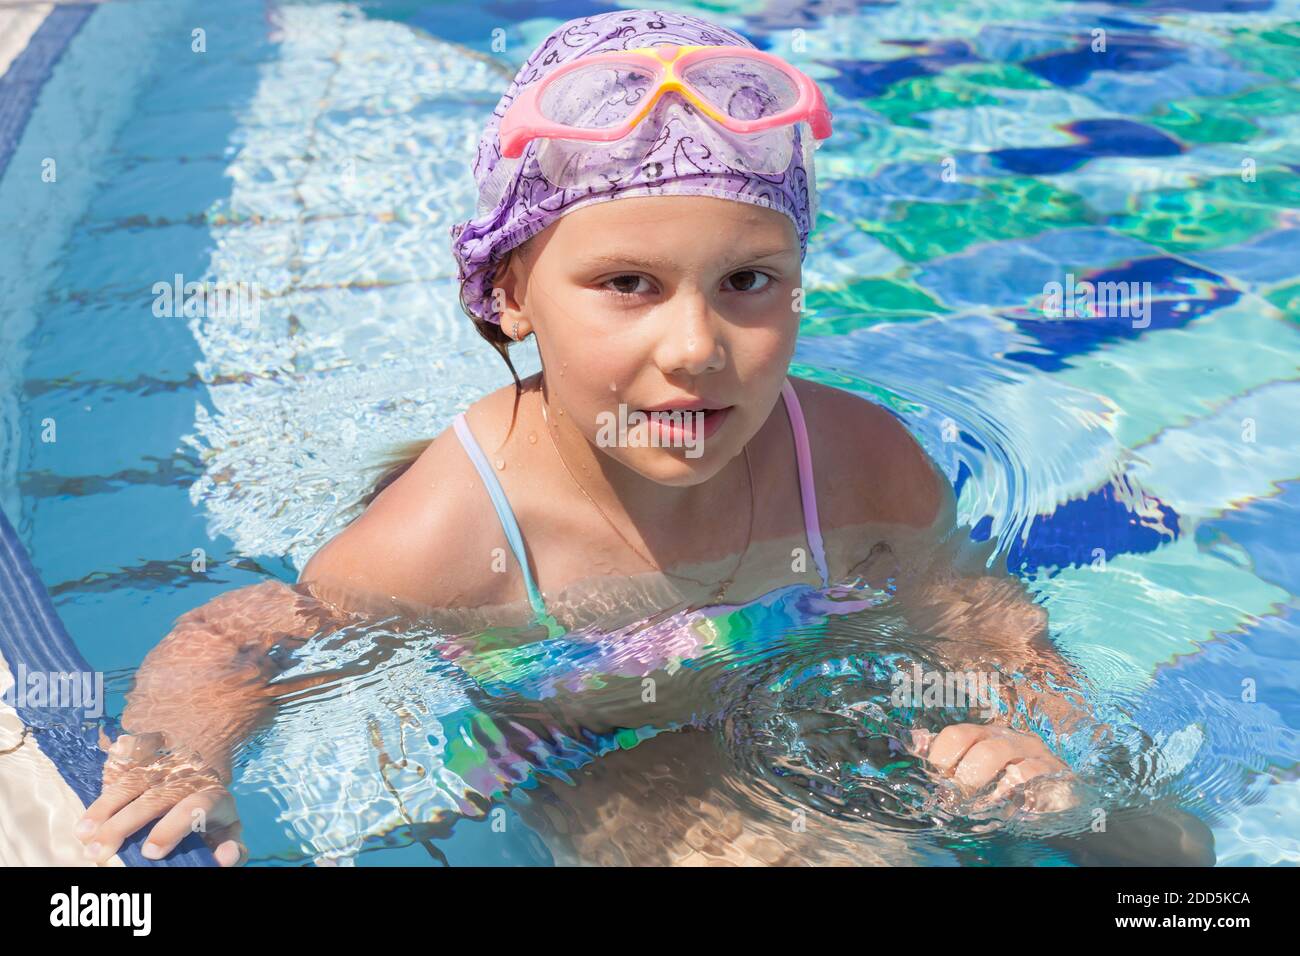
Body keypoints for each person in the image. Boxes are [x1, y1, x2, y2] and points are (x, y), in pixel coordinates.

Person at [73, 9, 1172, 867]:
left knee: (1159, 851)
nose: (696, 346)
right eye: (627, 285)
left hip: (809, 695)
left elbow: (994, 634)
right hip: (591, 745)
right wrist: (179, 756)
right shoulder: (457, 532)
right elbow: (235, 637)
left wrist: (1047, 757)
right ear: (507, 292)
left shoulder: (857, 460)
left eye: (747, 282)